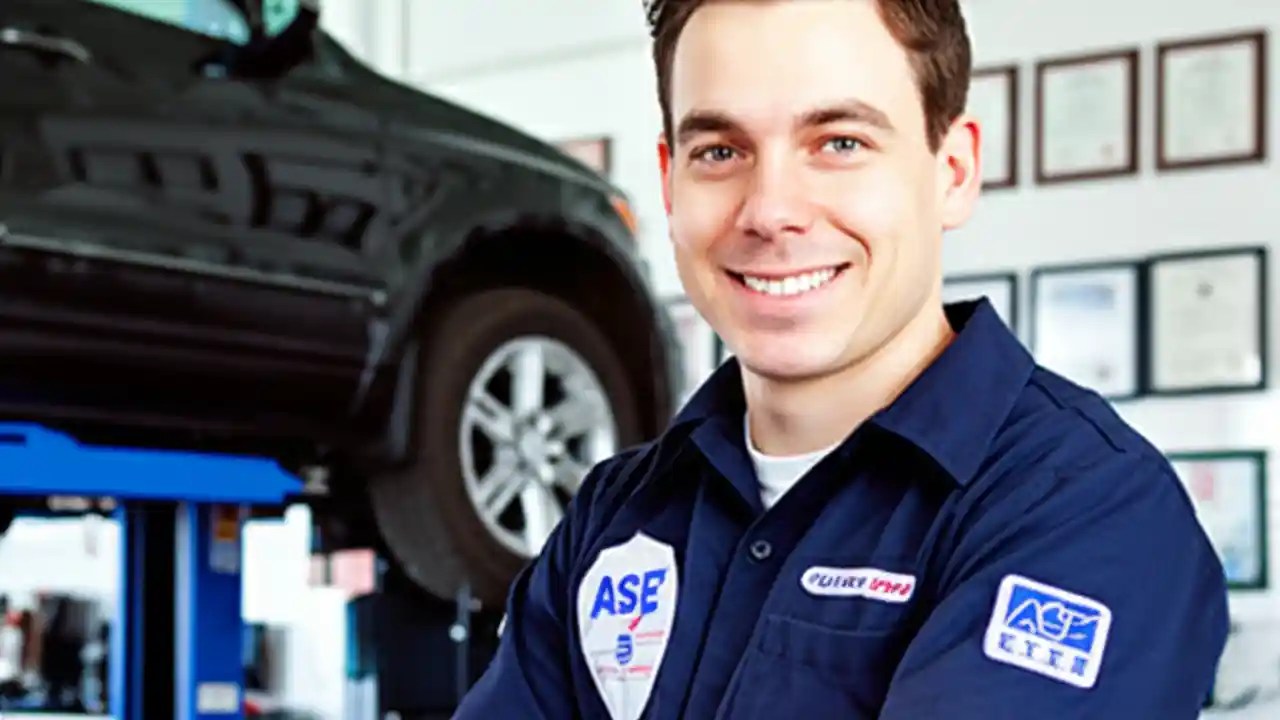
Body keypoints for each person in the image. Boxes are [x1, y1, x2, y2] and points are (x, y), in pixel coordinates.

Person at [454, 1, 1229, 717]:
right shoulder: (616, 516)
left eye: (840, 143)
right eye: (721, 151)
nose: (770, 212)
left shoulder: (1086, 511)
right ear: (668, 180)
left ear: (952, 170)